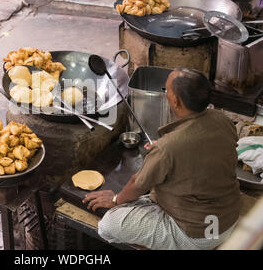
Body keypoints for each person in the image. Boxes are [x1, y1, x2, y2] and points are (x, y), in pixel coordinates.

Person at [83, 68, 241, 250]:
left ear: (176, 101)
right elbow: (206, 149)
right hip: (227, 216)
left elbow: (138, 183)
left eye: (166, 91)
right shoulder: (222, 120)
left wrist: (116, 200)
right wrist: (168, 147)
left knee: (109, 224)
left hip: (199, 235)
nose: (166, 95)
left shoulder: (168, 147)